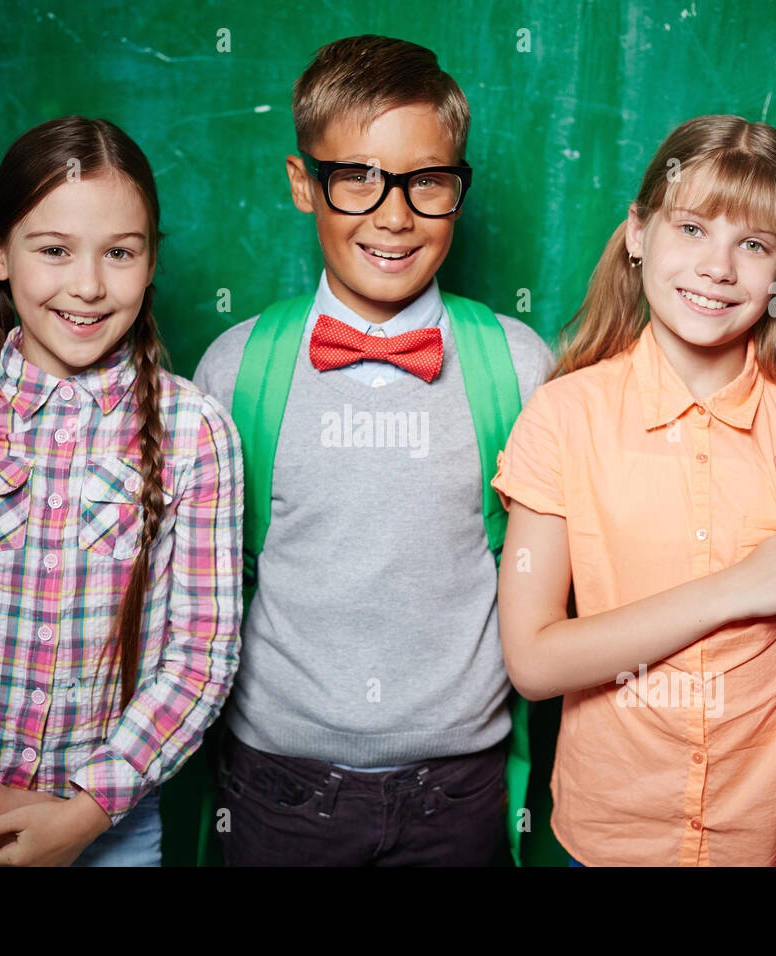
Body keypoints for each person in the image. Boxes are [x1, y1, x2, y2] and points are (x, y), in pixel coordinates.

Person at [492, 114, 776, 866]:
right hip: (613, 840)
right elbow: (532, 662)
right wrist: (743, 586)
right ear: (638, 233)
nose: (718, 268)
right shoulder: (564, 416)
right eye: (692, 229)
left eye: (753, 245)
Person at [193, 35, 552, 866]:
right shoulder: (237, 368)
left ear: (458, 188)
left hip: (459, 793)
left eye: (427, 182)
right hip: (276, 790)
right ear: (302, 183)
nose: (394, 216)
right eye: (356, 176)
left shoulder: (519, 366)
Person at [0, 116, 243, 866]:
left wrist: (86, 816)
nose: (88, 285)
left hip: (113, 825)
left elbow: (201, 655)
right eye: (55, 250)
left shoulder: (196, 431)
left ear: (151, 261)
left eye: (119, 252)